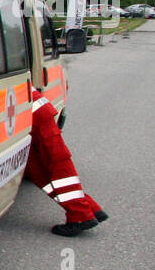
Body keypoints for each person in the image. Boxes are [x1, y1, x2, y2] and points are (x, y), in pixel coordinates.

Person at [25, 87, 108, 236]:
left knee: (58, 165)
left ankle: (80, 215)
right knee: (35, 170)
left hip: (33, 113)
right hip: (29, 113)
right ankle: (88, 207)